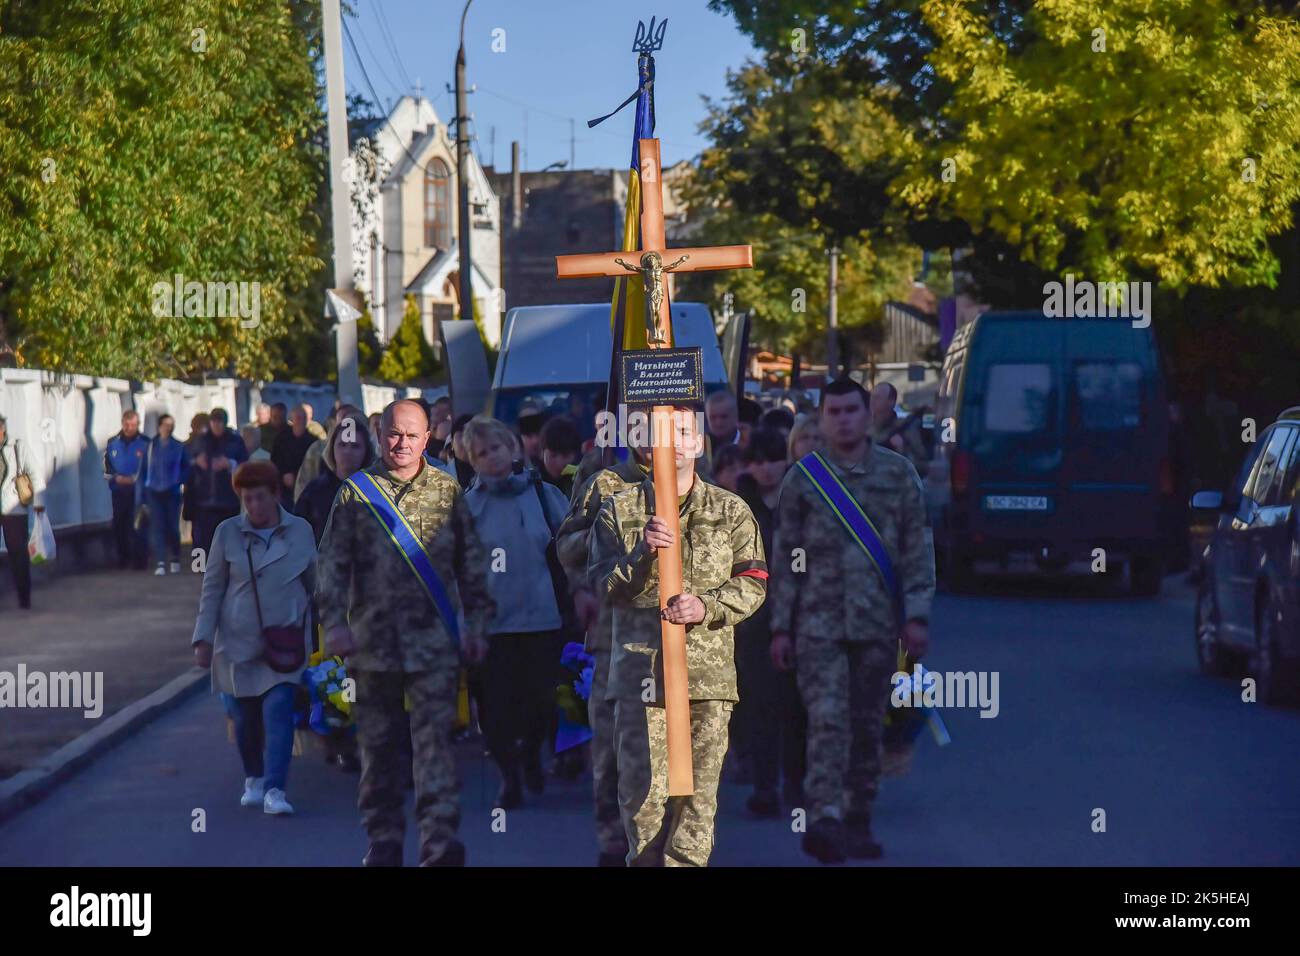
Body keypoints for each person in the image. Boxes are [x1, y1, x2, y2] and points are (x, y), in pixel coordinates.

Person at [315, 399, 495, 867]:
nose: (402, 444)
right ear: (380, 435)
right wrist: (333, 623)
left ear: (428, 438)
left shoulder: (447, 491)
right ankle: (384, 840)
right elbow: (332, 565)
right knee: (378, 749)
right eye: (394, 434)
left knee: (435, 748)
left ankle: (439, 843)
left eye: (412, 436)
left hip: (433, 645)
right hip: (372, 647)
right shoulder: (357, 493)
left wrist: (477, 625)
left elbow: (472, 564)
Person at [589, 405, 767, 866]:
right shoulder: (620, 509)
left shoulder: (731, 510)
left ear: (699, 443)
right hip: (640, 677)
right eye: (663, 433)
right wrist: (641, 554)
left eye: (683, 432)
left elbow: (753, 581)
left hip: (706, 678)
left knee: (698, 800)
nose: (673, 442)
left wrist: (706, 606)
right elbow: (601, 586)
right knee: (644, 795)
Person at [769, 378, 935, 864]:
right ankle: (824, 816)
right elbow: (787, 557)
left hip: (878, 626)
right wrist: (781, 625)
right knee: (827, 720)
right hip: (817, 626)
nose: (842, 419)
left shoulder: (899, 474)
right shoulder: (804, 479)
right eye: (833, 411)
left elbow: (916, 551)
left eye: (850, 410)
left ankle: (858, 816)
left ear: (867, 415)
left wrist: (918, 617)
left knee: (866, 726)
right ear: (821, 419)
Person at [192, 460, 316, 816]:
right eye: (247, 499)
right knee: (245, 721)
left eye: (261, 497)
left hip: (285, 646)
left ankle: (276, 789)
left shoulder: (301, 531)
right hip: (237, 646)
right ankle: (254, 778)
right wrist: (202, 638)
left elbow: (317, 585)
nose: (254, 507)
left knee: (279, 711)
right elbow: (211, 589)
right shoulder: (227, 533)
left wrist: (331, 627)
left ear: (276, 495)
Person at [462, 415, 569, 808]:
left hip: (542, 617)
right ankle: (509, 775)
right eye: (482, 453)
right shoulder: (468, 507)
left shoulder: (543, 495)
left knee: (542, 702)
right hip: (491, 624)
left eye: (497, 448)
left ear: (513, 448)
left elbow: (573, 545)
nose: (492, 457)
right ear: (472, 461)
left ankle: (531, 755)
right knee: (494, 709)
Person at [556, 438, 652, 866]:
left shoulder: (695, 481)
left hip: (678, 640)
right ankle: (614, 840)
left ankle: (663, 843)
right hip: (615, 635)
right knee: (613, 746)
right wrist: (607, 527)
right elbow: (568, 547)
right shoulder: (606, 482)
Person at [733, 428, 805, 817]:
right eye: (756, 461)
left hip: (802, 615)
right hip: (754, 619)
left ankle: (796, 781)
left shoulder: (802, 498)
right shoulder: (738, 505)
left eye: (772, 459)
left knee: (797, 706)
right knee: (759, 705)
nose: (764, 469)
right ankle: (764, 785)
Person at [294, 409, 374, 544]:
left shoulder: (376, 492)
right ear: (332, 448)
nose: (347, 452)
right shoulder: (314, 491)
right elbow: (297, 536)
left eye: (355, 446)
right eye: (342, 445)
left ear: (366, 451)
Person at [0, 413, 46, 609]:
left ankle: (24, 597)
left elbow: (35, 473)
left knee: (18, 554)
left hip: (13, 508)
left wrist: (39, 503)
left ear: (2, 430)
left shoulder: (18, 446)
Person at [188, 408, 248, 556]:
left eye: (219, 421)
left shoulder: (235, 440)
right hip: (203, 497)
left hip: (228, 497)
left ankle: (228, 567)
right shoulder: (200, 441)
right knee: (202, 539)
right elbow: (184, 461)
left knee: (229, 537)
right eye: (214, 421)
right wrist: (196, 461)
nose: (216, 425)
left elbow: (245, 463)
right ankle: (201, 567)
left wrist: (230, 463)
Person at [136, 414, 190, 575]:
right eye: (165, 425)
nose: (168, 428)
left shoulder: (179, 446)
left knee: (173, 526)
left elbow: (187, 468)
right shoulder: (151, 446)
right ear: (159, 427)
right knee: (157, 526)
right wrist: (142, 497)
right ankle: (160, 561)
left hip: (172, 492)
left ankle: (175, 557)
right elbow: (143, 471)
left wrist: (178, 480)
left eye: (171, 425)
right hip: (154, 491)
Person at [104, 409, 149, 570]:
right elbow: (107, 469)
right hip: (118, 491)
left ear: (138, 425)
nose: (130, 428)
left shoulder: (146, 443)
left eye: (133, 425)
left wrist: (136, 479)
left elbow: (151, 468)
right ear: (122, 424)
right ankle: (123, 559)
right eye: (127, 424)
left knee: (138, 525)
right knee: (120, 526)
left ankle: (140, 561)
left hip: (139, 492)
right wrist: (117, 478)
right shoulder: (112, 443)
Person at [870, 381, 929, 479]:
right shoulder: (863, 428)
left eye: (877, 398)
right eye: (872, 396)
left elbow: (922, 466)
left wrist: (901, 451)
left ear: (891, 402)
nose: (872, 401)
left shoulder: (907, 429)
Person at [270, 405, 315, 508]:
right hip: (284, 489)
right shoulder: (281, 439)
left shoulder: (312, 442)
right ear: (292, 419)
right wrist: (283, 474)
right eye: (297, 418)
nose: (300, 421)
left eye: (303, 418)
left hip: (306, 487)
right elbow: (275, 461)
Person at [540, 415, 583, 498]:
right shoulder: (533, 486)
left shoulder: (583, 482)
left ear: (574, 454)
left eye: (565, 455)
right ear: (542, 453)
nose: (559, 462)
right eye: (553, 455)